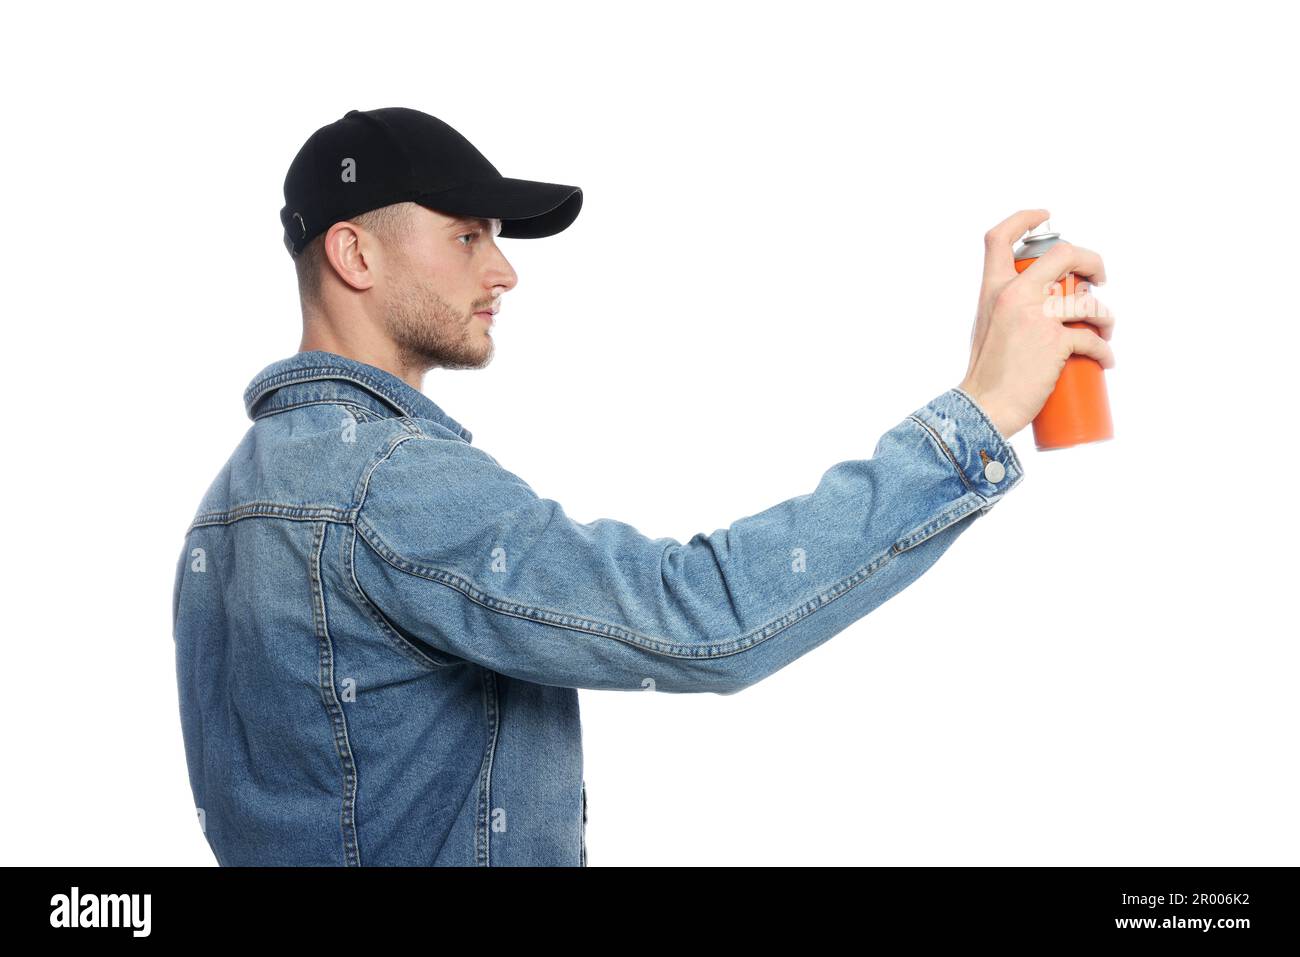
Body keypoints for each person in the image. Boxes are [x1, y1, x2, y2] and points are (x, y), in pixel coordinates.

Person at [172, 107, 1116, 867]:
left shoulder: (227, 503)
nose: (504, 270)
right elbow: (702, 618)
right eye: (467, 237)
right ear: (355, 255)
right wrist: (980, 412)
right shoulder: (389, 484)